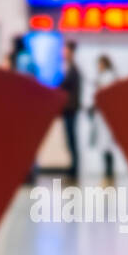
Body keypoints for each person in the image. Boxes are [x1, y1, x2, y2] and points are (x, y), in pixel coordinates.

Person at [89, 53, 119, 181]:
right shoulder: (102, 77)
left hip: (108, 115)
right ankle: (107, 169)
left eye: (100, 64)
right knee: (103, 143)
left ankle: (109, 170)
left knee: (107, 144)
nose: (98, 66)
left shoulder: (109, 77)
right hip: (101, 116)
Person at [58, 39, 82, 178]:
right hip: (68, 110)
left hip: (71, 110)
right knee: (70, 138)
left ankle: (74, 167)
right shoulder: (69, 69)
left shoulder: (73, 70)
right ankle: (73, 166)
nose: (63, 53)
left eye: (65, 50)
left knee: (72, 138)